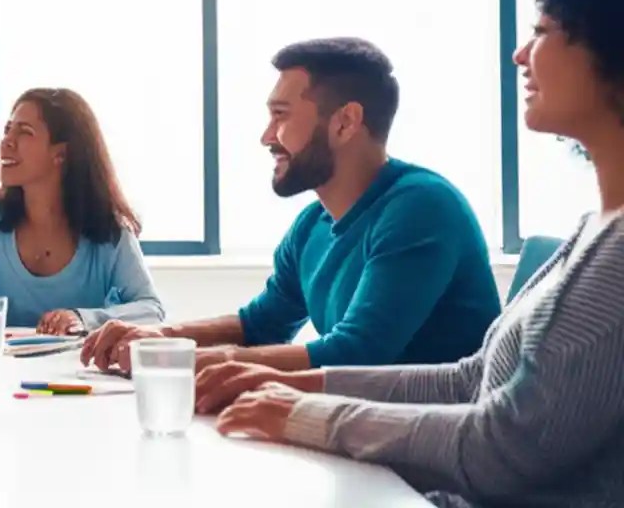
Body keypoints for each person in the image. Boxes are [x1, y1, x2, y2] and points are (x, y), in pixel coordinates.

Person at [192, 0, 624, 508]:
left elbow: (504, 450)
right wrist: (291, 384)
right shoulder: (593, 232)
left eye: (545, 29)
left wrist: (309, 414)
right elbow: (470, 379)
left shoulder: (614, 257)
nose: (521, 54)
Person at [82, 38, 501, 374]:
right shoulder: (314, 223)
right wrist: (159, 336)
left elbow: (357, 352)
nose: (267, 136)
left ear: (345, 122)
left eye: (281, 115)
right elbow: (262, 325)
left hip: (427, 456)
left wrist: (183, 361)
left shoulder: (421, 208)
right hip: (364, 434)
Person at [0, 88, 165, 335]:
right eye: (7, 130)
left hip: (76, 371)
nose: (7, 141)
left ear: (60, 154)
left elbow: (151, 309)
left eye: (25, 132)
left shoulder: (109, 229)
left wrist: (82, 318)